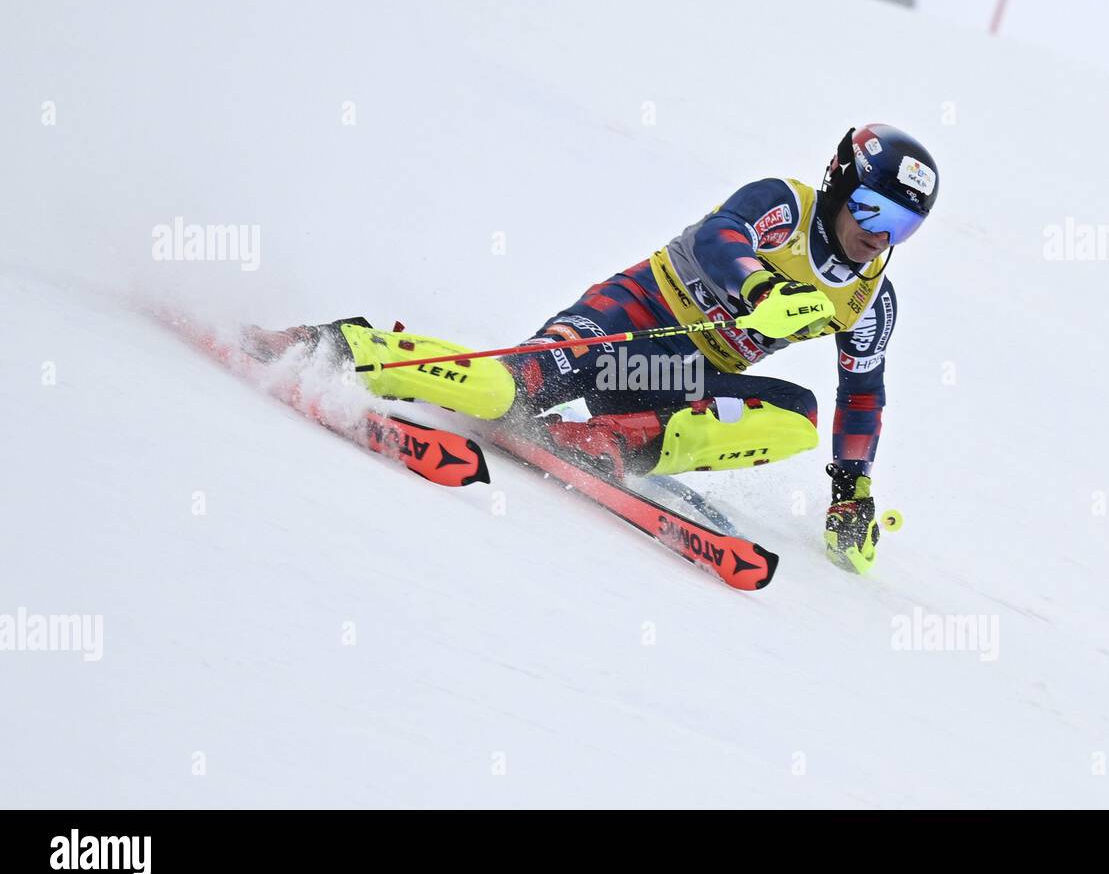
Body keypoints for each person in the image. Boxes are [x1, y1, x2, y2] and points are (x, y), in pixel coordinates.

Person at [252, 124, 939, 574]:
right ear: (842, 187)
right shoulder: (784, 206)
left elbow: (863, 395)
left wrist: (852, 491)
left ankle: (606, 443)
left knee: (797, 418)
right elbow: (719, 235)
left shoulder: (872, 301)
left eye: (903, 227)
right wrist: (758, 287)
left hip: (677, 379)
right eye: (874, 211)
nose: (882, 237)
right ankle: (343, 346)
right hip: (628, 324)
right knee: (499, 390)